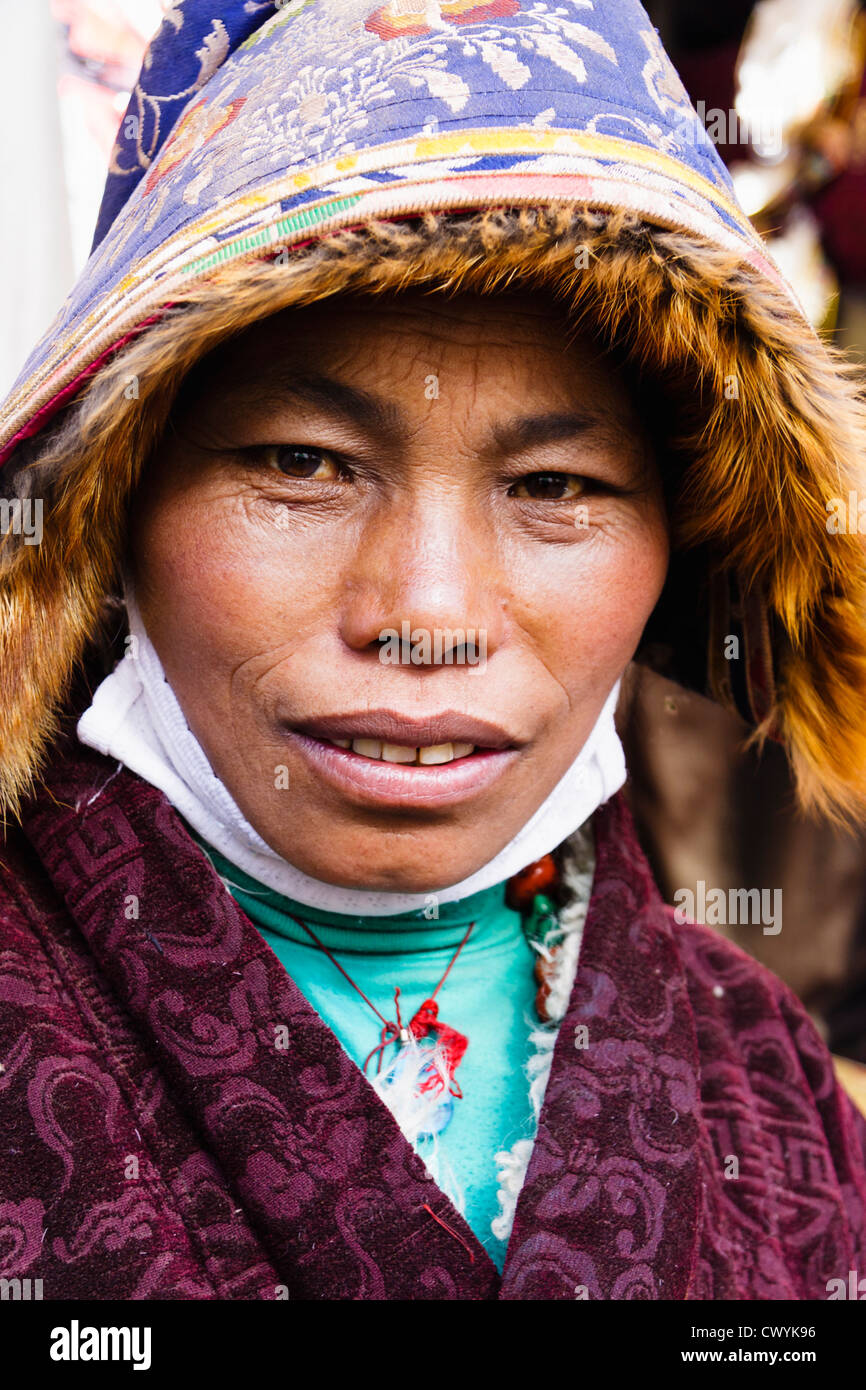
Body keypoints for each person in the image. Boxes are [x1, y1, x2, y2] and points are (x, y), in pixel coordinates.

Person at [1, 0, 866, 1302]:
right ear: (107, 501)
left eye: (558, 483)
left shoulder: (771, 1072)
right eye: (299, 464)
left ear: (676, 543)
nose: (426, 612)